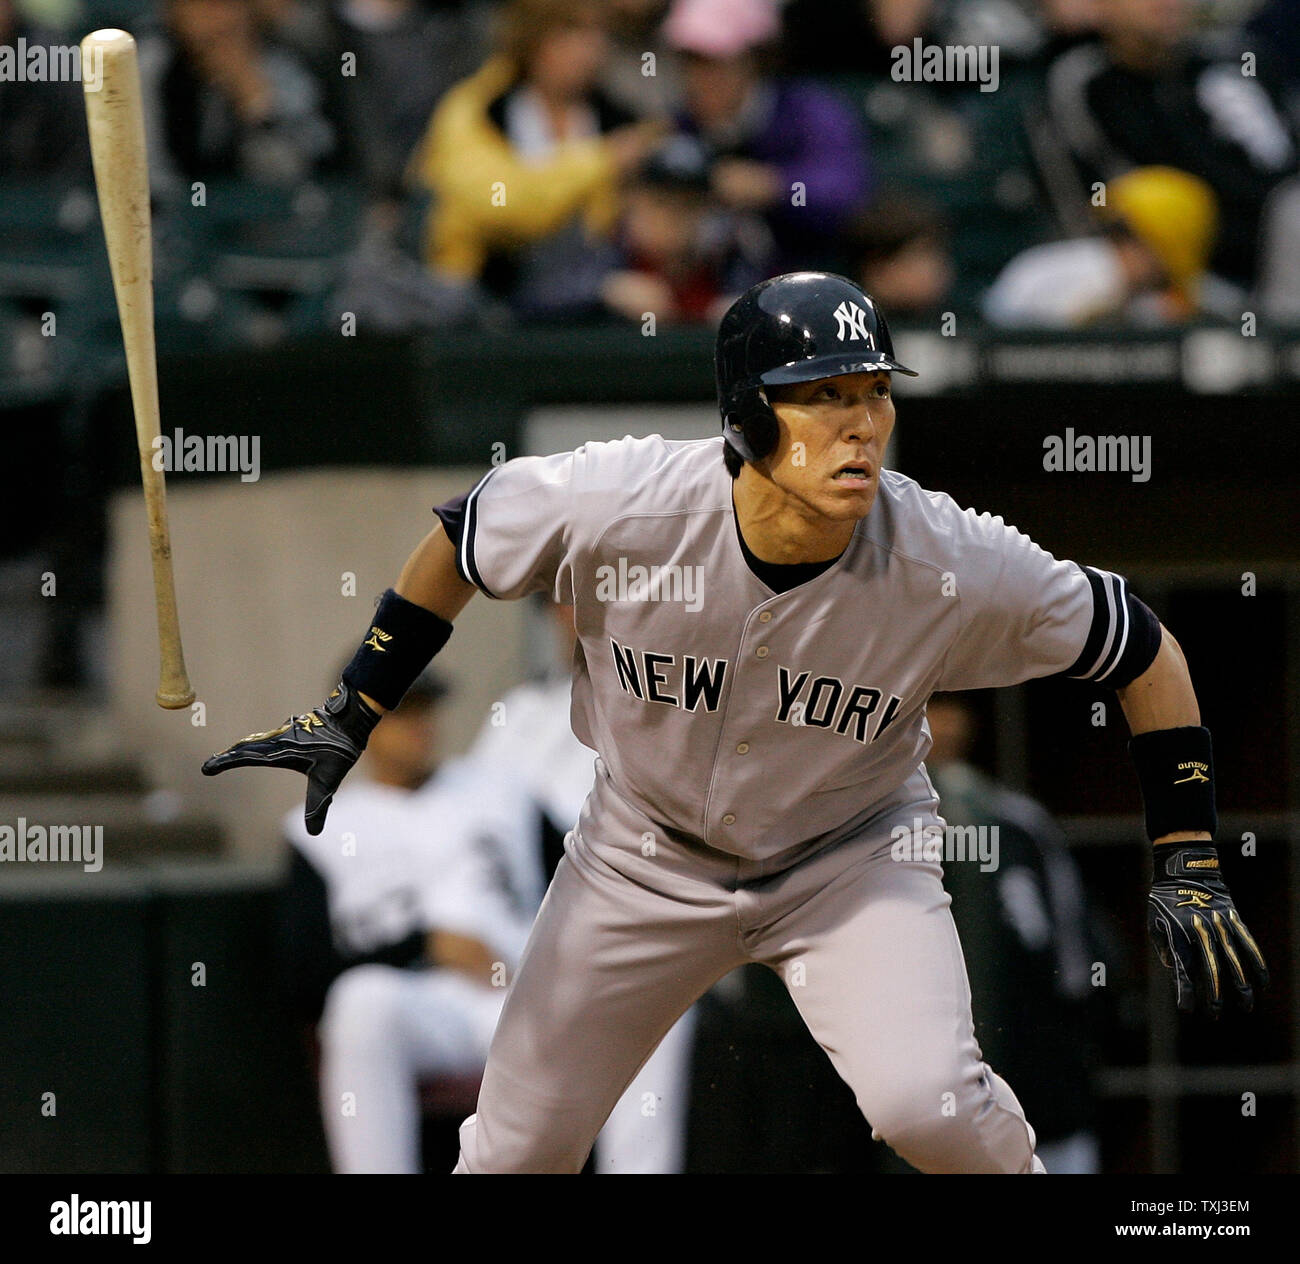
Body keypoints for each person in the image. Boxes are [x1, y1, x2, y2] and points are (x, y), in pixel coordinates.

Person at [204, 270, 1268, 1174]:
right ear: (746, 415)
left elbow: (1141, 645)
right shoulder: (624, 501)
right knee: (517, 1149)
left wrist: (1185, 849)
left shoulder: (946, 557)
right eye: (821, 396)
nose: (860, 423)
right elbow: (462, 538)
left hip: (847, 856)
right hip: (643, 854)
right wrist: (352, 710)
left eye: (874, 394)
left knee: (927, 1107)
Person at [277, 668, 540, 1173]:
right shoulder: (322, 827)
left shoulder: (503, 793)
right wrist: (423, 945)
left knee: (650, 1011)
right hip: (424, 1011)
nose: (420, 725)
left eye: (426, 709)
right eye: (401, 712)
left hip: (520, 998)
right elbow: (302, 979)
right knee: (361, 1001)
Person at [924, 692, 1101, 1174]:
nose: (946, 724)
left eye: (952, 707)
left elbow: (1076, 968)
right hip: (917, 1103)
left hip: (1035, 1087)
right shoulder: (860, 836)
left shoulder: (1015, 822)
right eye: (930, 706)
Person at [407, 0, 665, 314]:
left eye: (599, 31)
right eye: (572, 30)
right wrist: (601, 162)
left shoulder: (622, 119)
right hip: (482, 310)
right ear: (533, 38)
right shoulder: (474, 112)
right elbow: (498, 205)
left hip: (590, 313)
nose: (591, 45)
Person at [1042, 0, 1298, 291]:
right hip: (1169, 275)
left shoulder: (1236, 62)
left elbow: (1285, 166)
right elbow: (1088, 199)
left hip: (1277, 255)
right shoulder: (1086, 82)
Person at [982, 166, 1221, 327]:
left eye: (1131, 235)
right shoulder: (1072, 271)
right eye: (1121, 234)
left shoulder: (1176, 295)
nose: (1124, 246)